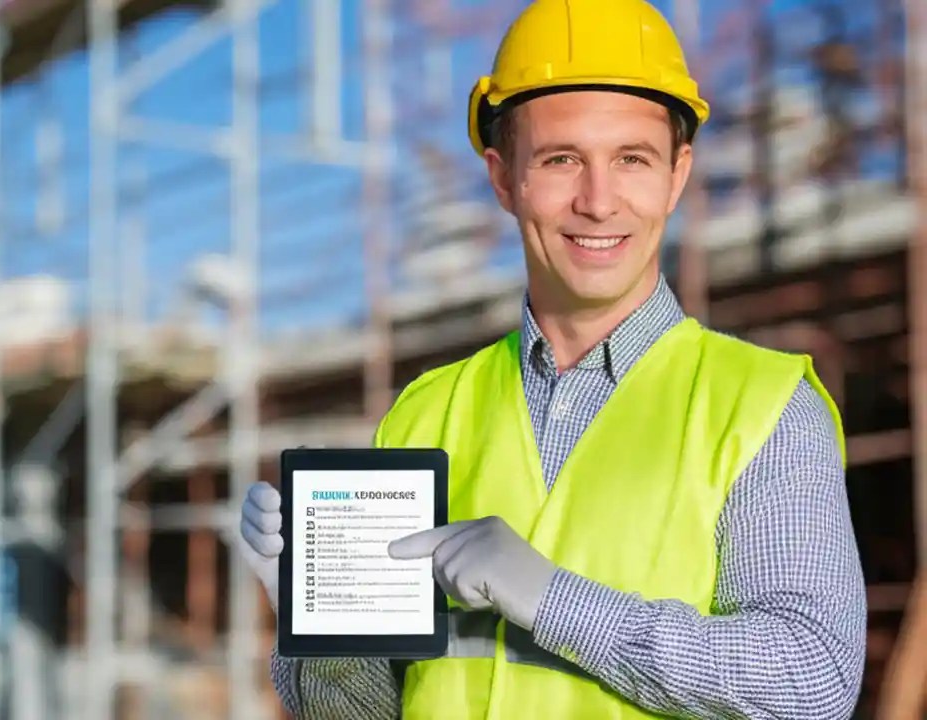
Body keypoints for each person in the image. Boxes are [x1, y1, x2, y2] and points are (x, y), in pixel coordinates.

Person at [236, 0, 868, 717]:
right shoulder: (426, 410)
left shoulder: (762, 406)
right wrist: (314, 614)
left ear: (677, 174)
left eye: (632, 159)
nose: (598, 202)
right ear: (503, 178)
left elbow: (810, 684)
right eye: (561, 160)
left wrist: (552, 600)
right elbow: (367, 711)